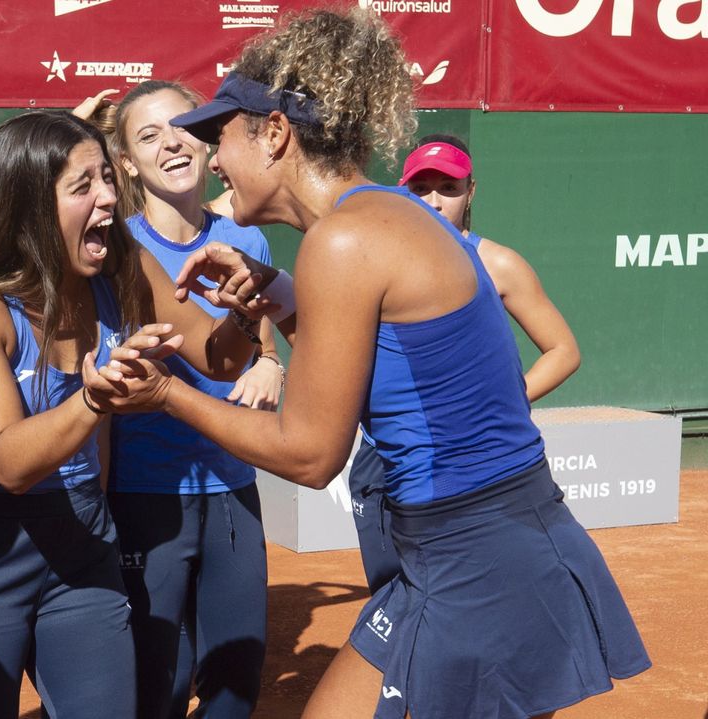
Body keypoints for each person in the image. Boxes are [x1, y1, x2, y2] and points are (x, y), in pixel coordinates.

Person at [87, 8, 649, 718]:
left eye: (219, 135)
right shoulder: (381, 215)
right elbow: (387, 356)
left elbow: (310, 454)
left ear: (274, 133)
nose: (214, 159)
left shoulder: (344, 242)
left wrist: (166, 395)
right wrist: (271, 290)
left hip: (477, 558)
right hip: (468, 545)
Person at [0, 110, 281, 718]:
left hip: (83, 537)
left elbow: (216, 357)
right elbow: (9, 462)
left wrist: (244, 311)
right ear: (28, 205)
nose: (109, 197)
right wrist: (94, 399)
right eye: (83, 186)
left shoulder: (120, 262)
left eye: (106, 177)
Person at [75, 81, 288, 718]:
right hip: (145, 494)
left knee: (235, 679)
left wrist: (271, 361)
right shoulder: (108, 252)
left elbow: (260, 337)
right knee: (158, 683)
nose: (171, 144)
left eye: (183, 128)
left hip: (233, 484)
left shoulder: (247, 240)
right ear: (125, 164)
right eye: (149, 136)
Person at [350, 133, 584, 593]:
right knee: (393, 598)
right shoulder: (370, 260)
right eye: (421, 188)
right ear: (402, 190)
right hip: (384, 458)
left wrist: (501, 402)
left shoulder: (499, 264)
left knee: (473, 596)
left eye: (449, 188)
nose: (434, 202)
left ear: (470, 192)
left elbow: (563, 351)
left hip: (470, 460)